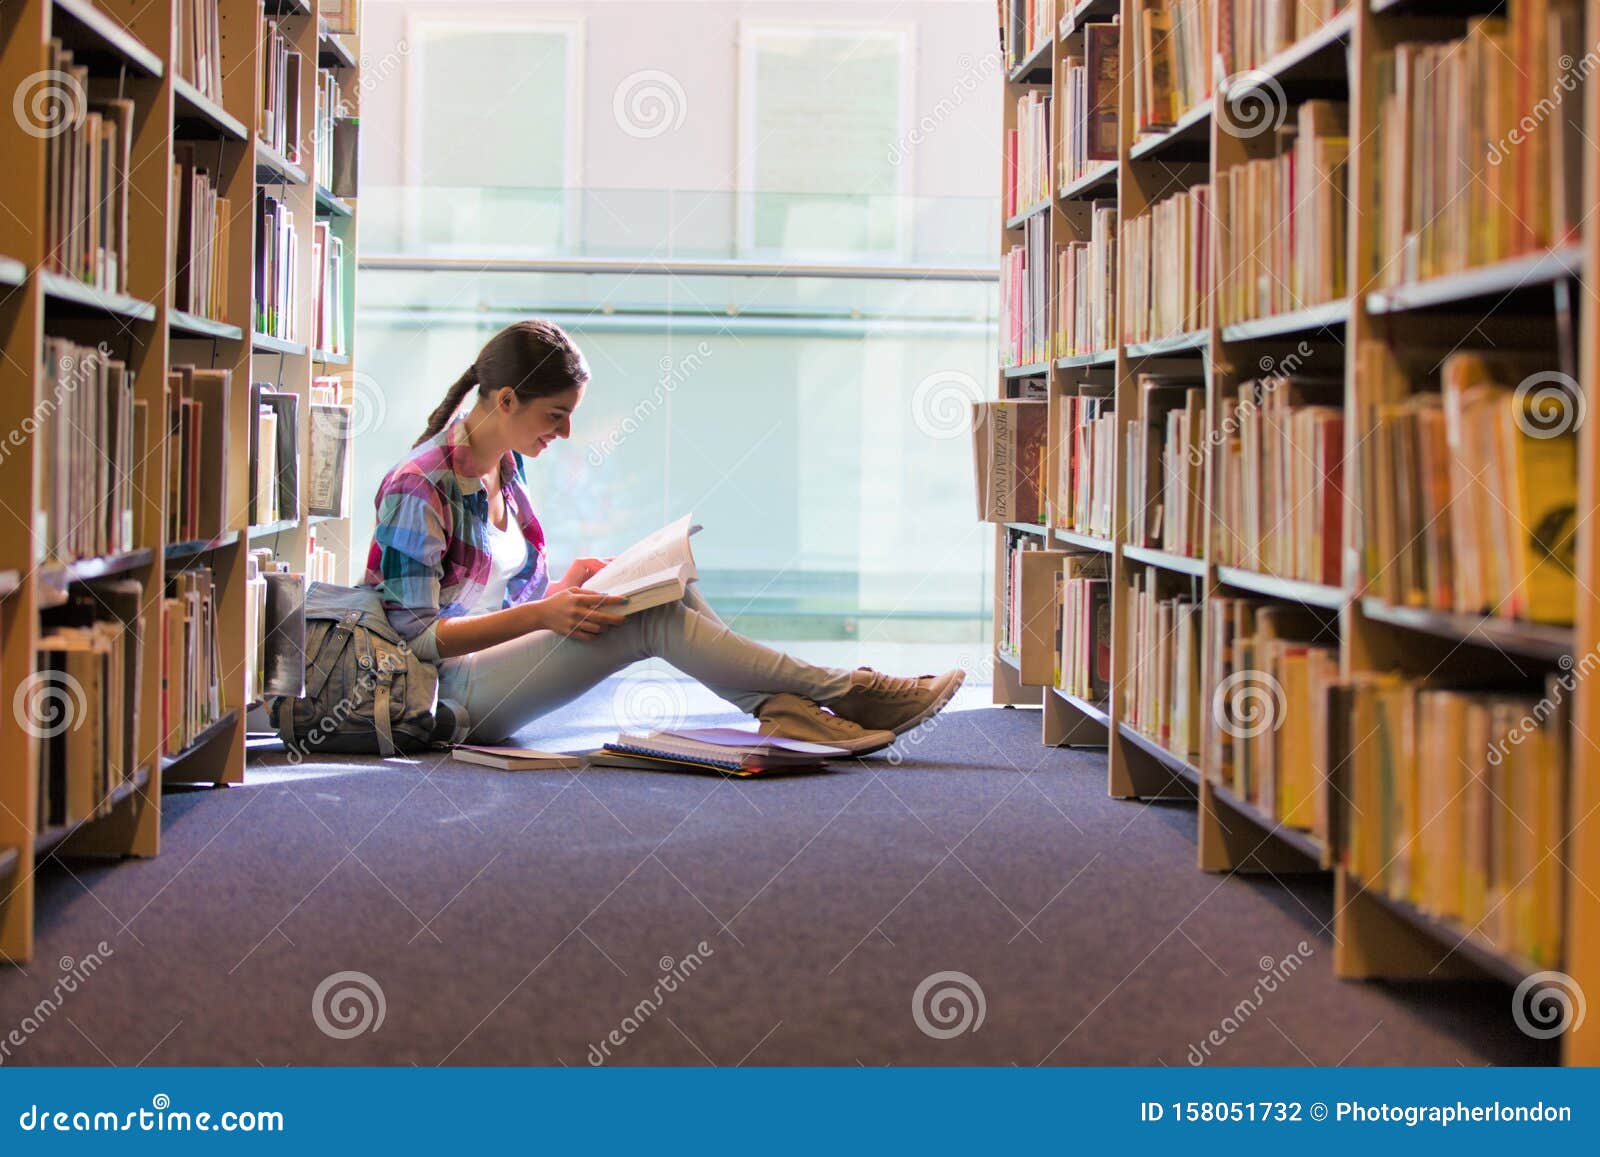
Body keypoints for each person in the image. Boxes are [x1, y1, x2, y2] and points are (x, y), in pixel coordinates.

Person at [366, 319, 964, 755]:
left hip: (494, 666)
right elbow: (417, 639)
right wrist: (545, 614)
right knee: (649, 622)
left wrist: (558, 591)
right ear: (505, 400)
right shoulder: (418, 486)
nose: (567, 432)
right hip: (448, 694)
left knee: (666, 589)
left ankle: (787, 710)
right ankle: (849, 689)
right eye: (556, 414)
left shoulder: (506, 465)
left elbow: (493, 601)